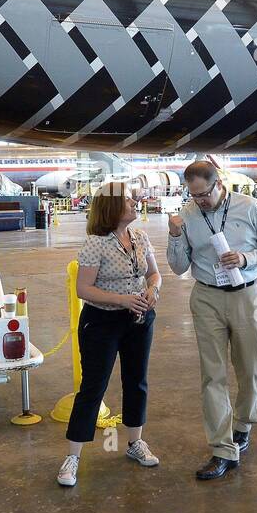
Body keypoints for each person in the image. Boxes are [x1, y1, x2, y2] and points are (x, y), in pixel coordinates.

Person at [166, 160, 257, 481]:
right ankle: (222, 449)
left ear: (219, 185)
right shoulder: (188, 215)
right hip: (206, 297)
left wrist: (247, 258)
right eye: (193, 195)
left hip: (248, 294)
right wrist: (175, 236)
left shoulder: (250, 207)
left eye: (203, 194)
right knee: (212, 375)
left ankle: (243, 425)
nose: (198, 201)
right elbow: (178, 268)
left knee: (250, 366)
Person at [57, 183, 162, 487]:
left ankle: (134, 442)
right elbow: (83, 289)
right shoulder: (96, 243)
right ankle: (73, 456)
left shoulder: (140, 237)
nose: (134, 203)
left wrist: (153, 289)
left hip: (139, 318)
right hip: (101, 322)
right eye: (127, 200)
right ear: (110, 208)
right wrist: (122, 300)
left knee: (136, 380)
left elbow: (154, 273)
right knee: (93, 387)